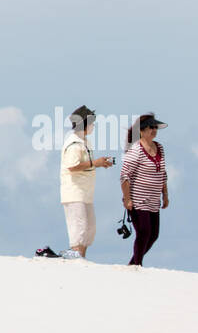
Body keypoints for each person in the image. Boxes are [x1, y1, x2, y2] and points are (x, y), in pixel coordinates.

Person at [59, 105, 115, 259]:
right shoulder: (74, 143)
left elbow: (87, 164)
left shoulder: (85, 142)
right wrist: (95, 163)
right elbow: (72, 166)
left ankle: (81, 259)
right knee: (79, 230)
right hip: (74, 193)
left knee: (89, 230)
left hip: (86, 193)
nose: (93, 127)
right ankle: (75, 260)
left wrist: (100, 163)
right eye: (91, 123)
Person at [120, 113, 169, 266]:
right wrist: (127, 199)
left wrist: (165, 195)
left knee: (154, 235)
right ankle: (137, 264)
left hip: (154, 200)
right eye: (150, 128)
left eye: (155, 127)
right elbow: (124, 176)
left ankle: (133, 263)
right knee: (143, 233)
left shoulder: (159, 147)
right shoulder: (136, 150)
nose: (154, 130)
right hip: (138, 200)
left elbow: (162, 173)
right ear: (142, 130)